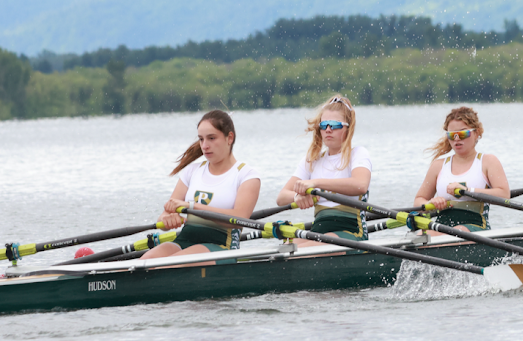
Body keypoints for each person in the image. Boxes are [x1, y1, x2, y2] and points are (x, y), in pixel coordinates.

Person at [144, 110, 261, 258]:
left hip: (221, 245)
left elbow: (239, 219)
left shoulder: (246, 175)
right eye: (201, 139)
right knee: (143, 263)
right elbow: (167, 212)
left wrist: (192, 207)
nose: (204, 146)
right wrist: (166, 219)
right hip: (185, 240)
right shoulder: (191, 171)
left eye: (211, 138)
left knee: (173, 263)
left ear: (229, 138)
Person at [277, 94, 371, 244]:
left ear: (348, 127)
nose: (328, 129)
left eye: (334, 125)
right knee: (288, 247)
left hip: (350, 233)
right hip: (318, 231)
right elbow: (281, 197)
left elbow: (360, 186)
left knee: (299, 251)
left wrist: (315, 184)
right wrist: (297, 197)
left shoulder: (358, 154)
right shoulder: (312, 160)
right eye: (324, 125)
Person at [413, 106, 510, 232]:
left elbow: (504, 195)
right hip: (442, 227)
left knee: (457, 231)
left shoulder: (488, 161)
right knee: (421, 234)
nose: (457, 139)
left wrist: (467, 190)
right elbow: (418, 201)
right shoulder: (438, 165)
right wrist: (431, 203)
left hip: (476, 226)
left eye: (463, 133)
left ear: (477, 133)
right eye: (452, 135)